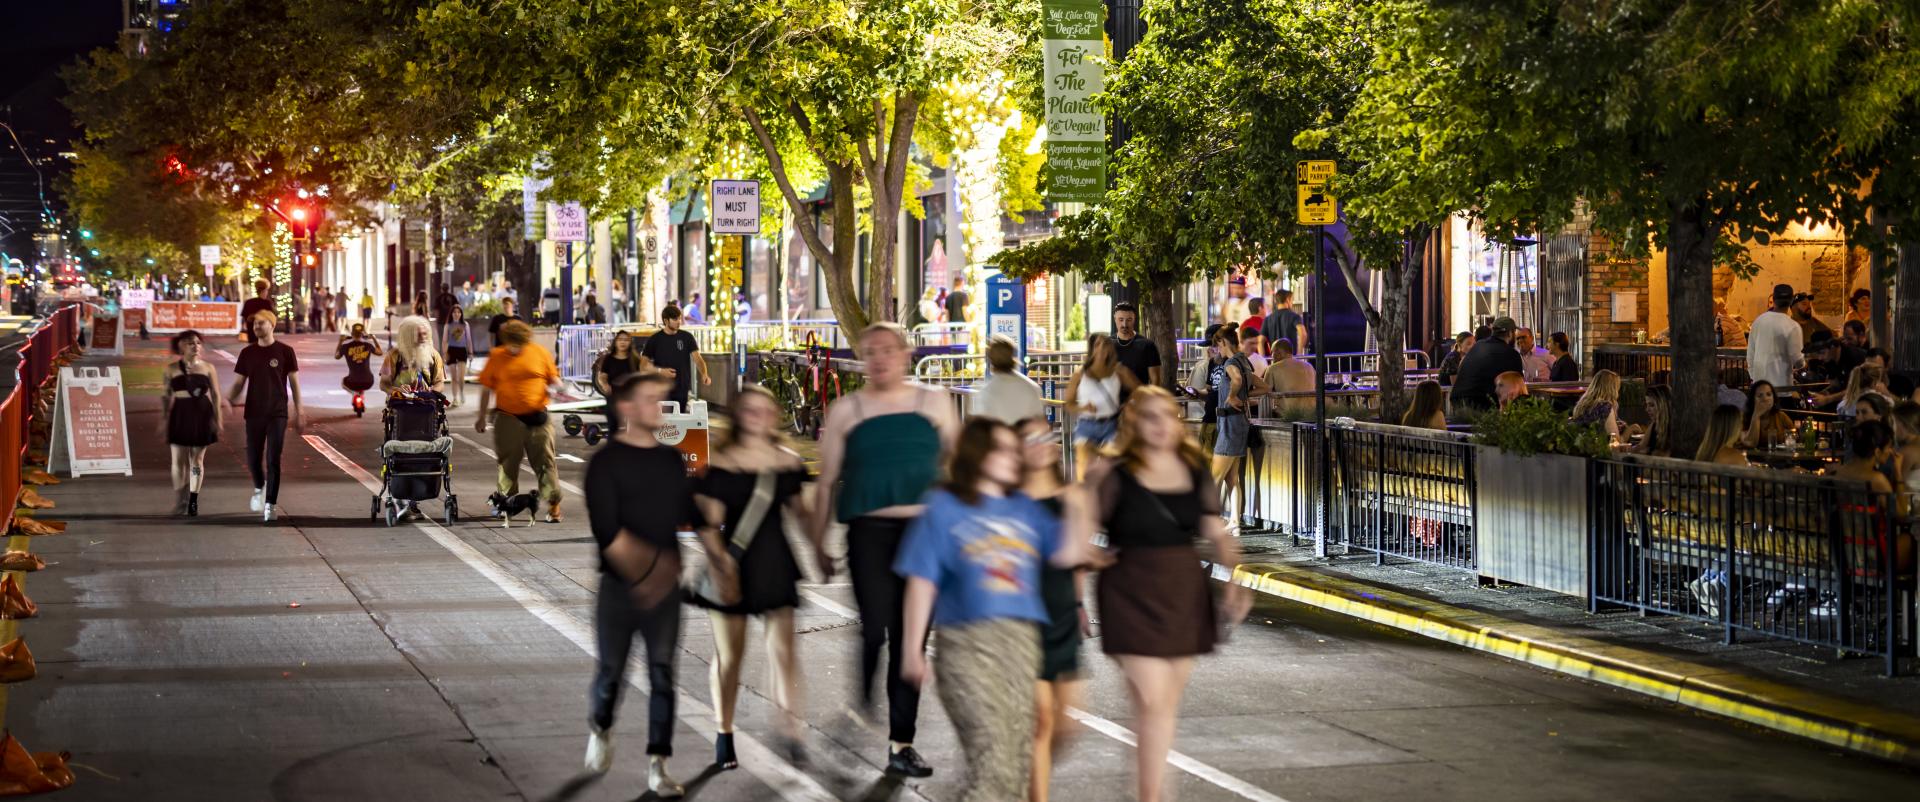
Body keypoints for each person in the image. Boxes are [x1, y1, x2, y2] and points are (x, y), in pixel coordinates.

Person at [895, 418, 1093, 802]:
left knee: (1013, 765)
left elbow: (1068, 552)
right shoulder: (945, 506)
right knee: (992, 759)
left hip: (1021, 644)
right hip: (968, 645)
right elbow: (922, 581)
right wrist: (911, 652)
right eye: (1003, 448)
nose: (1013, 456)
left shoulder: (1023, 508)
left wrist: (1088, 500)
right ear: (978, 454)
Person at [806, 323, 957, 778]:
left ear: (906, 354)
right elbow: (827, 481)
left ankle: (901, 742)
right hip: (868, 533)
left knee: (910, 640)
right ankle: (864, 699)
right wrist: (817, 544)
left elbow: (961, 466)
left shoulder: (934, 402)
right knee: (875, 628)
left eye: (888, 350)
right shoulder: (847, 410)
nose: (880, 359)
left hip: (924, 535)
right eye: (870, 352)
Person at [1086, 387, 1250, 802]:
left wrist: (1234, 581)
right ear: (1133, 423)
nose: (1162, 425)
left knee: (1160, 707)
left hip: (1181, 590)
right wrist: (1091, 559)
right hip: (1129, 590)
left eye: (1168, 416)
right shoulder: (1113, 472)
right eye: (1150, 417)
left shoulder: (1192, 467)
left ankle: (1147, 788)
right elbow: (1077, 528)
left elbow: (1214, 529)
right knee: (1154, 701)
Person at [689, 384, 819, 769]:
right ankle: (724, 731)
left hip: (777, 562)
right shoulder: (721, 466)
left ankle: (791, 729)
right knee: (730, 657)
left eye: (766, 410)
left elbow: (802, 515)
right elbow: (708, 524)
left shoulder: (788, 462)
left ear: (775, 416)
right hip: (731, 564)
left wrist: (822, 549)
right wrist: (721, 564)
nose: (759, 417)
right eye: (750, 410)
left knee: (785, 652)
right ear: (737, 417)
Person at [582, 372, 694, 797]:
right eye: (649, 400)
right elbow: (608, 534)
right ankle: (601, 726)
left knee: (663, 673)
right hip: (619, 589)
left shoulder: (670, 459)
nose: (658, 407)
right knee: (611, 671)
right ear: (626, 408)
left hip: (664, 590)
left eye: (661, 400)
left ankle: (658, 764)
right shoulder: (605, 464)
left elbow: (689, 513)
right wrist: (650, 574)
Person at [1011, 415, 1089, 802]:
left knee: (1066, 724)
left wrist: (1079, 603)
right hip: (1022, 617)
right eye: (1029, 438)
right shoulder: (1007, 500)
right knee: (1040, 719)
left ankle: (1022, 772)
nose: (1041, 443)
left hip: (1061, 613)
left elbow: (1077, 558)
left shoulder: (1070, 495)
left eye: (1047, 435)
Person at [476, 320, 565, 523]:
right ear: (505, 340)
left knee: (546, 463)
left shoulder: (540, 353)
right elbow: (486, 388)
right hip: (508, 418)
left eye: (519, 344)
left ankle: (554, 506)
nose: (515, 348)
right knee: (507, 464)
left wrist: (559, 388)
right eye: (511, 344)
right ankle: (506, 504)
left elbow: (554, 378)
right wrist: (481, 417)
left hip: (538, 418)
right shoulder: (497, 356)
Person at [227, 311, 304, 522]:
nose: (256, 327)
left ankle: (270, 504)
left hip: (277, 413)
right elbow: (238, 383)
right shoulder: (247, 353)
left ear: (272, 325)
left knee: (273, 459)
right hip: (254, 413)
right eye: (254, 324)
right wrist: (227, 400)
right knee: (253, 457)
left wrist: (300, 410)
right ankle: (259, 487)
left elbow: (294, 384)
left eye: (261, 323)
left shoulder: (285, 352)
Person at [162, 330, 223, 517]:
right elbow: (166, 396)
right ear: (181, 346)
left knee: (197, 460)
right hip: (180, 414)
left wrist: (218, 420)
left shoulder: (208, 367)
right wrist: (164, 419)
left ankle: (193, 501)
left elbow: (216, 395)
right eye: (190, 343)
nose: (195, 346)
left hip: (202, 414)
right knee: (178, 461)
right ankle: (181, 498)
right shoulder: (171, 369)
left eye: (198, 342)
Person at [1208, 326, 1263, 526]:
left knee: (1214, 478)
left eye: (1217, 346)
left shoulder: (1231, 363)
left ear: (1223, 342)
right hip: (1239, 424)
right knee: (1232, 479)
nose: (1217, 350)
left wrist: (1232, 396)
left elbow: (1237, 379)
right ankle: (1234, 523)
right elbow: (1264, 387)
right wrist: (1243, 396)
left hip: (1229, 424)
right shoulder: (1245, 362)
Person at [1067, 333, 1138, 480]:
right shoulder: (1080, 374)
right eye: (1098, 344)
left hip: (1111, 425)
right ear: (1091, 349)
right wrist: (1083, 408)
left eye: (1106, 344)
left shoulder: (1119, 371)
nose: (1102, 348)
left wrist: (1129, 405)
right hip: (1086, 426)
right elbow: (1069, 404)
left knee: (1112, 471)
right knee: (1085, 473)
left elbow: (1140, 390)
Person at [640, 305, 710, 409]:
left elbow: (698, 359)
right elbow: (643, 366)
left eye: (680, 318)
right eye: (675, 319)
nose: (679, 322)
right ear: (666, 321)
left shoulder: (687, 337)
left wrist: (704, 374)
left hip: (682, 388)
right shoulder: (654, 339)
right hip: (661, 388)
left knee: (680, 420)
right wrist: (660, 371)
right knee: (664, 423)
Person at [1452, 317, 1524, 411]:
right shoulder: (1511, 354)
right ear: (1510, 334)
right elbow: (1516, 386)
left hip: (1457, 401)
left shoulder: (1478, 346)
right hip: (1481, 405)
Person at [973, 335, 1044, 425]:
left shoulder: (986, 391)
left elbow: (981, 427)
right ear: (1013, 356)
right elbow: (1039, 421)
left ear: (991, 360)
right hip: (1025, 437)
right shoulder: (1032, 387)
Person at [594, 330, 650, 436]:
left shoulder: (635, 359)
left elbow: (642, 375)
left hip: (631, 398)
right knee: (614, 430)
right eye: (620, 339)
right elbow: (602, 377)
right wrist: (605, 385)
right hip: (614, 398)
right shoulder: (608, 359)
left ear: (630, 343)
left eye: (626, 340)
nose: (623, 342)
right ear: (615, 342)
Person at [1747, 284, 1803, 388]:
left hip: (1760, 387)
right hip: (1782, 386)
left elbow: (1750, 354)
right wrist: (1804, 363)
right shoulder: (1793, 326)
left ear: (1774, 299)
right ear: (1791, 301)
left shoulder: (1758, 321)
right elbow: (1797, 359)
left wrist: (1754, 377)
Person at [382, 315, 446, 395]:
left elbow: (440, 383)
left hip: (426, 404)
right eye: (418, 335)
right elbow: (384, 384)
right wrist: (398, 390)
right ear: (408, 337)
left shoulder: (434, 355)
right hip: (400, 404)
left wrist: (432, 391)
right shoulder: (393, 356)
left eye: (424, 334)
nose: (423, 338)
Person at [1110, 302, 1161, 396]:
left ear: (1134, 319)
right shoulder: (1107, 345)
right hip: (1112, 403)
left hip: (1138, 402)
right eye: (1121, 319)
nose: (1124, 324)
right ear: (1115, 319)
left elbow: (1155, 380)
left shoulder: (1147, 345)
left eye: (1129, 320)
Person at [1569, 369, 1622, 441]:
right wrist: (1631, 430)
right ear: (1611, 389)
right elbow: (1615, 440)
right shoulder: (1605, 407)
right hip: (1597, 448)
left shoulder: (1582, 404)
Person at [335, 322, 383, 405]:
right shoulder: (368, 345)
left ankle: (354, 394)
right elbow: (380, 352)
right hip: (368, 382)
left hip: (352, 382)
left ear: (351, 334)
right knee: (363, 379)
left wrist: (340, 341)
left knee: (343, 382)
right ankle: (360, 395)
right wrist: (374, 338)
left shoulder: (345, 347)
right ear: (363, 334)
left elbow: (337, 356)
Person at [1267, 337, 1317, 412]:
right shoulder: (1309, 366)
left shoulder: (1273, 368)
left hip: (1288, 414)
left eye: (1272, 353)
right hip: (1310, 413)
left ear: (1278, 353)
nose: (1271, 357)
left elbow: (1264, 390)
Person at [1741, 380, 1794, 449]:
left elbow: (1794, 438)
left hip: (1778, 457)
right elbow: (1750, 443)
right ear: (1752, 400)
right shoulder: (1744, 418)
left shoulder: (1781, 416)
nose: (1765, 399)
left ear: (1773, 398)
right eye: (1760, 396)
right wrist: (1756, 416)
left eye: (1768, 394)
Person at [441, 306, 472, 406]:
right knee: (454, 377)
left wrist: (471, 352)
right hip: (451, 351)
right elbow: (444, 340)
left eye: (459, 312)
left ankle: (462, 392)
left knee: (461, 377)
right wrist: (444, 354)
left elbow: (468, 340)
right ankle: (455, 398)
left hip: (462, 351)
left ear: (461, 314)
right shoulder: (448, 325)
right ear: (451, 314)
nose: (456, 314)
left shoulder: (465, 325)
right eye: (454, 312)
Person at [1630, 385, 1673, 457]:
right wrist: (1627, 449)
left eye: (1652, 405)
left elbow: (1668, 454)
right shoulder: (1654, 425)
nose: (1647, 409)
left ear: (1663, 405)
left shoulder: (1674, 427)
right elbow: (1640, 446)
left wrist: (1648, 452)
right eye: (1647, 405)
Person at [1260, 289, 1304, 356]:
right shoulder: (1294, 316)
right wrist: (1299, 354)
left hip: (1275, 360)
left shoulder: (1268, 319)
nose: (1292, 303)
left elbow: (1260, 341)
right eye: (1292, 300)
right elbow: (1302, 333)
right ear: (1287, 300)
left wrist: (1263, 359)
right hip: (1291, 358)